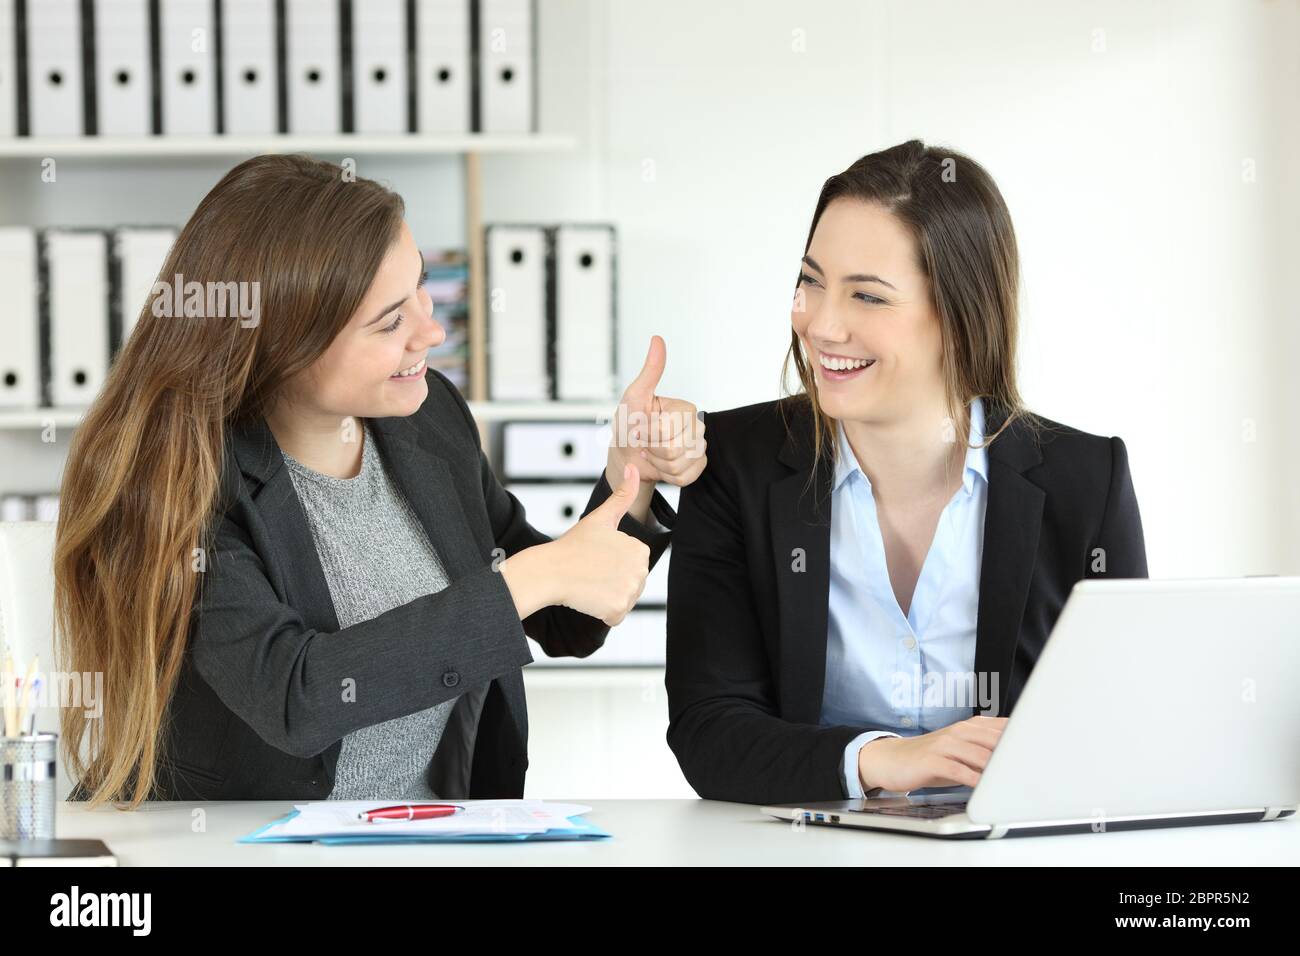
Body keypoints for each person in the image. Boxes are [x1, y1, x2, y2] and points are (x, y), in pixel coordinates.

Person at [56, 153, 707, 806]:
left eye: (421, 286)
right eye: (390, 320)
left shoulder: (428, 420)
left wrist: (634, 474)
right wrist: (534, 578)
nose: (433, 329)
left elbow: (563, 617)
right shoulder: (179, 481)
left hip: (417, 840)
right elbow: (295, 696)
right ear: (284, 344)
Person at [665, 139, 1147, 805]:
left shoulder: (1085, 480)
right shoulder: (734, 463)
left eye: (867, 296)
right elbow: (709, 732)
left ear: (958, 314)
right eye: (811, 282)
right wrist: (879, 761)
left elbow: (1121, 723)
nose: (823, 324)